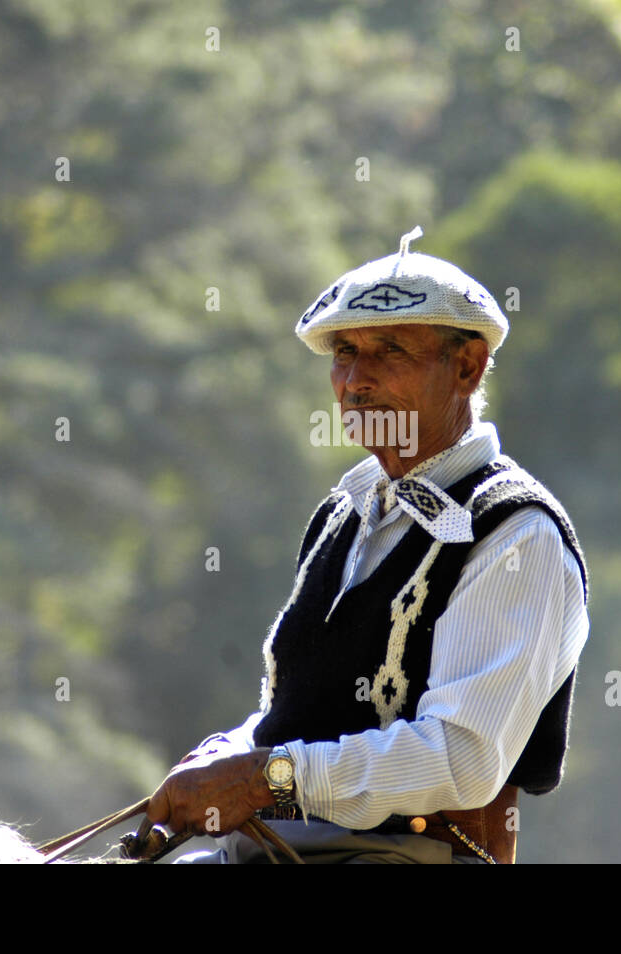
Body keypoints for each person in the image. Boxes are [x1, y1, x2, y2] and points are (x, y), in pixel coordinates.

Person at [146, 227, 590, 863]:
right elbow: (299, 718)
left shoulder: (516, 534)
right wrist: (232, 749)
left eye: (387, 352)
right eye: (344, 353)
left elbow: (461, 758)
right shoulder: (344, 513)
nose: (354, 380)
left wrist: (262, 778)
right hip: (271, 849)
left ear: (466, 366)